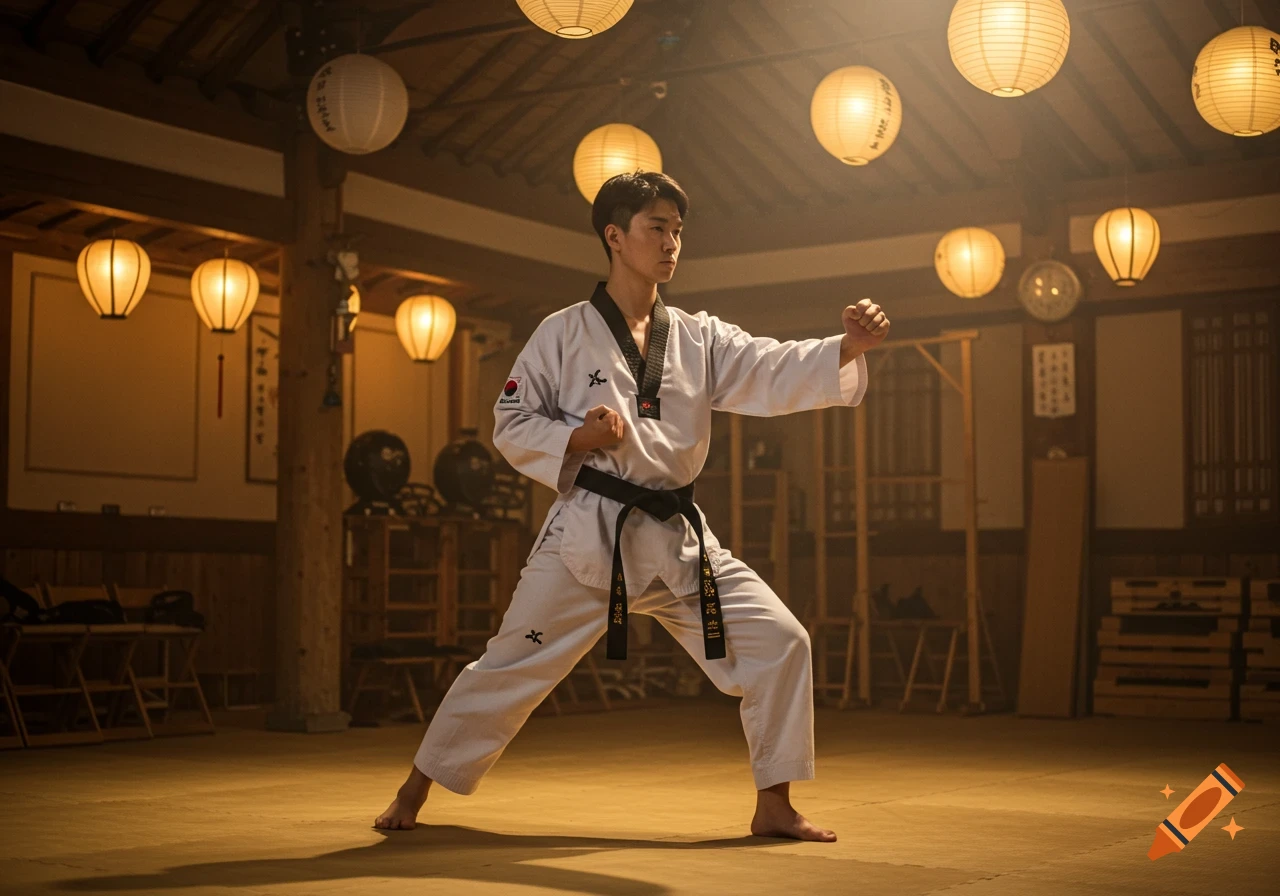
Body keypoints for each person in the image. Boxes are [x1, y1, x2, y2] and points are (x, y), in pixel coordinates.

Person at [376, 171, 890, 841]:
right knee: (507, 665)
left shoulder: (700, 336)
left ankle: (775, 803)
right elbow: (509, 420)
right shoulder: (561, 334)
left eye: (678, 230)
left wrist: (847, 348)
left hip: (679, 542)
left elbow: (770, 366)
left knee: (781, 641)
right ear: (615, 237)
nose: (672, 242)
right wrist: (579, 437)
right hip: (589, 540)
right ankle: (413, 790)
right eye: (657, 227)